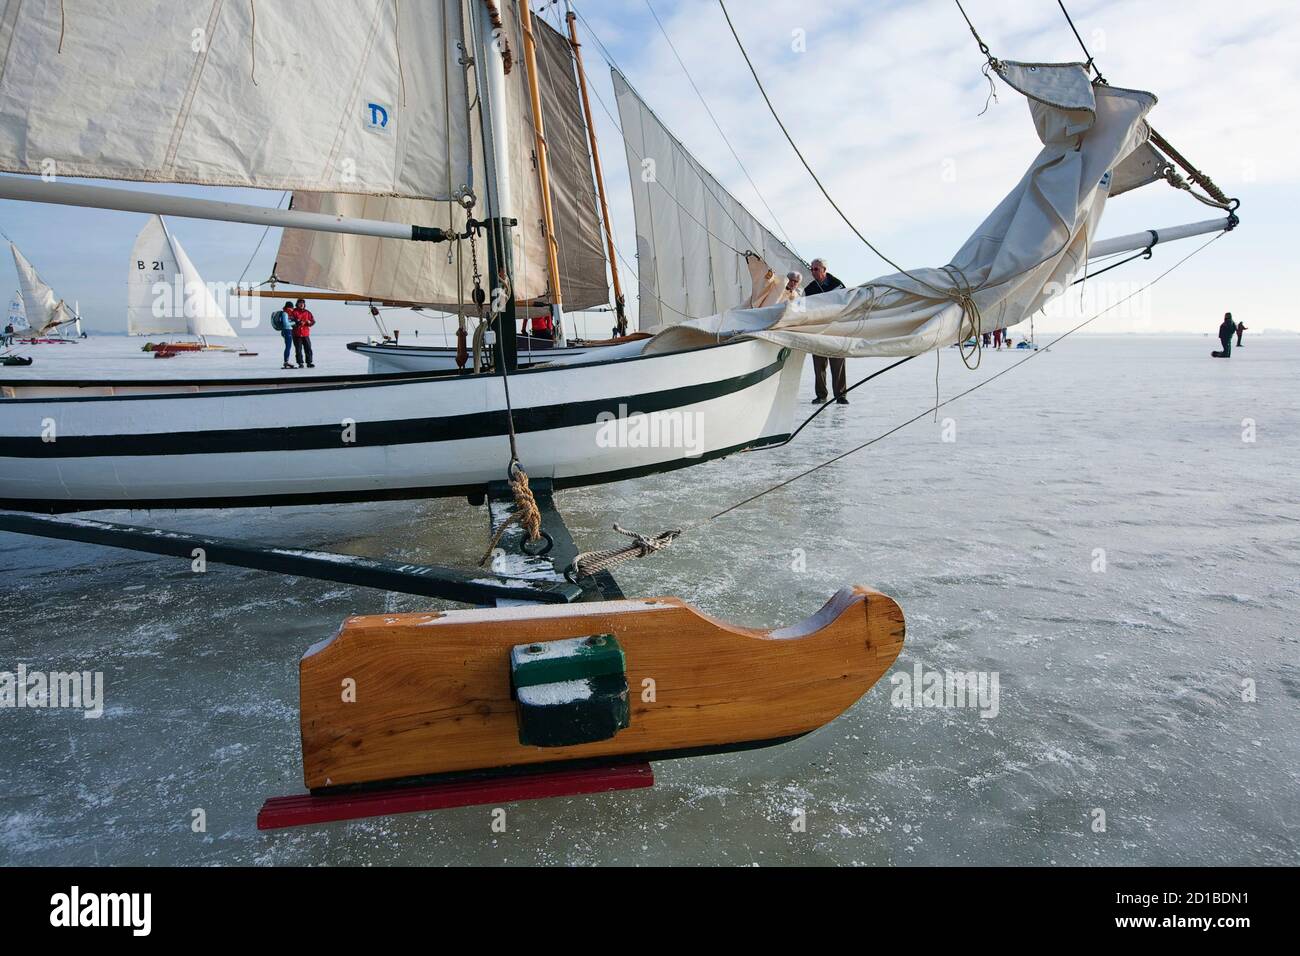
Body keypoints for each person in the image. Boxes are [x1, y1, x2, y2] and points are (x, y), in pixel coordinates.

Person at [804, 258, 848, 404]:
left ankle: (840, 396)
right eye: (811, 269)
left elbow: (846, 303)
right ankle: (821, 395)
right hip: (818, 331)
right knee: (819, 365)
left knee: (838, 365)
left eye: (816, 269)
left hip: (836, 330)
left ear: (824, 270)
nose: (813, 272)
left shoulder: (837, 284)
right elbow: (806, 310)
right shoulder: (809, 289)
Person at [291, 298, 315, 368]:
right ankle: (300, 363)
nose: (301, 304)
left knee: (308, 348)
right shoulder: (294, 312)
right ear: (297, 304)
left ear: (304, 304)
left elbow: (313, 321)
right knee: (298, 350)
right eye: (300, 303)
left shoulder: (307, 312)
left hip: (305, 334)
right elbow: (290, 321)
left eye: (303, 303)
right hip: (297, 334)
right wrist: (297, 322)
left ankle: (309, 362)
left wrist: (309, 323)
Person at [271, 300, 295, 369]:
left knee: (288, 347)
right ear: (288, 307)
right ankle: (286, 362)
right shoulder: (285, 313)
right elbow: (286, 324)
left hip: (287, 331)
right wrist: (294, 323)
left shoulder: (287, 313)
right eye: (291, 307)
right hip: (287, 331)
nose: (292, 309)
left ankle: (286, 361)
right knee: (288, 347)